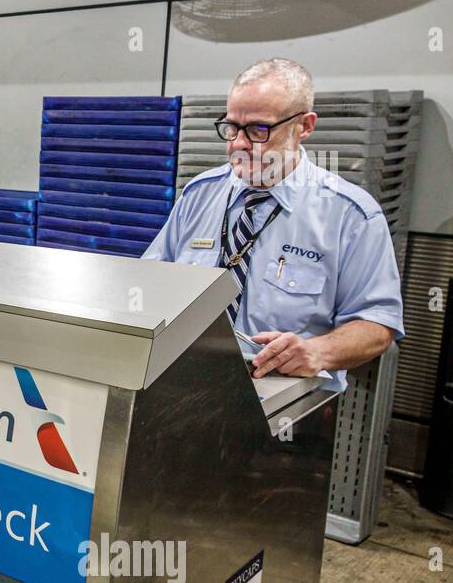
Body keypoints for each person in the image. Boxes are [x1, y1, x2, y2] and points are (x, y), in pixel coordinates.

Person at [143, 58, 403, 389]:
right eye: (232, 127)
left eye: (258, 130)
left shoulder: (350, 215)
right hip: (184, 386)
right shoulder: (199, 194)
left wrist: (317, 351)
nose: (238, 143)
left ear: (305, 126)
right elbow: (150, 283)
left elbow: (378, 324)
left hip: (281, 404)